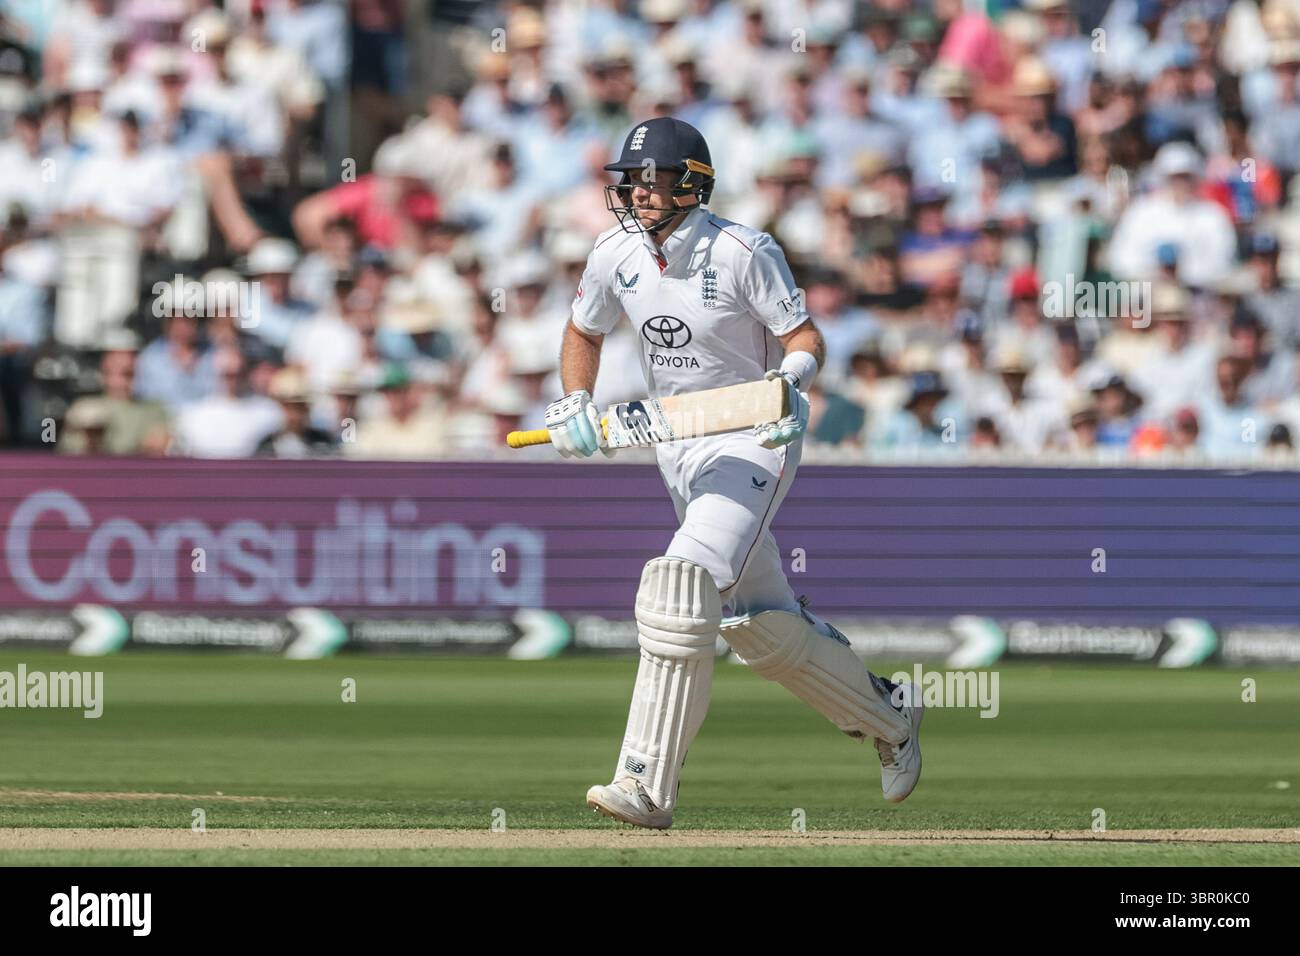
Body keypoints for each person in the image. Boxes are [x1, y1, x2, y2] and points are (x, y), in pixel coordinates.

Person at [547, 117, 922, 830]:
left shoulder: (744, 250)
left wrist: (791, 385)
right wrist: (575, 399)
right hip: (678, 449)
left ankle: (645, 784)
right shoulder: (612, 253)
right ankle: (890, 713)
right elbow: (582, 330)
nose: (639, 193)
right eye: (632, 181)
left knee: (680, 582)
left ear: (692, 182)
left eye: (654, 180)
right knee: (760, 626)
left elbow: (803, 336)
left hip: (755, 438)